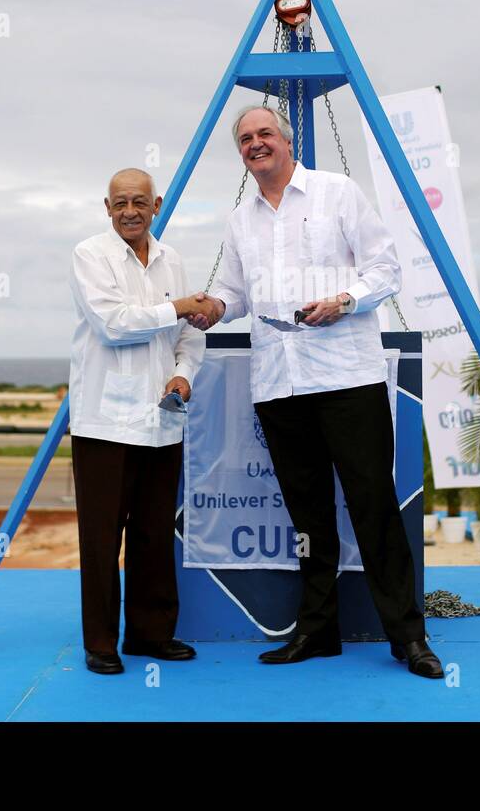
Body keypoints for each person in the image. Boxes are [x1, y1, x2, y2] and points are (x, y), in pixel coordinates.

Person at [192, 105, 442, 679]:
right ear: (241, 153)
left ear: (287, 140)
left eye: (265, 134)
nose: (256, 144)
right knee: (306, 518)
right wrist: (209, 309)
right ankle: (318, 631)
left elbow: (386, 269)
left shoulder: (338, 192)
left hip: (347, 377)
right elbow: (233, 293)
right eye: (246, 139)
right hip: (278, 383)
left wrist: (345, 301)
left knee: (374, 508)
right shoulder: (239, 220)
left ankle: (409, 637)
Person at [68, 168, 208, 675]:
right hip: (103, 422)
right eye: (121, 202)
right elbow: (114, 324)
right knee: (102, 537)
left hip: (161, 419)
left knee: (153, 531)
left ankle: (150, 635)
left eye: (139, 202)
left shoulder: (173, 259)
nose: (130, 211)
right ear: (107, 208)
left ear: (157, 205)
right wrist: (180, 307)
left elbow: (190, 335)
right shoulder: (90, 255)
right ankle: (101, 643)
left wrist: (183, 374)